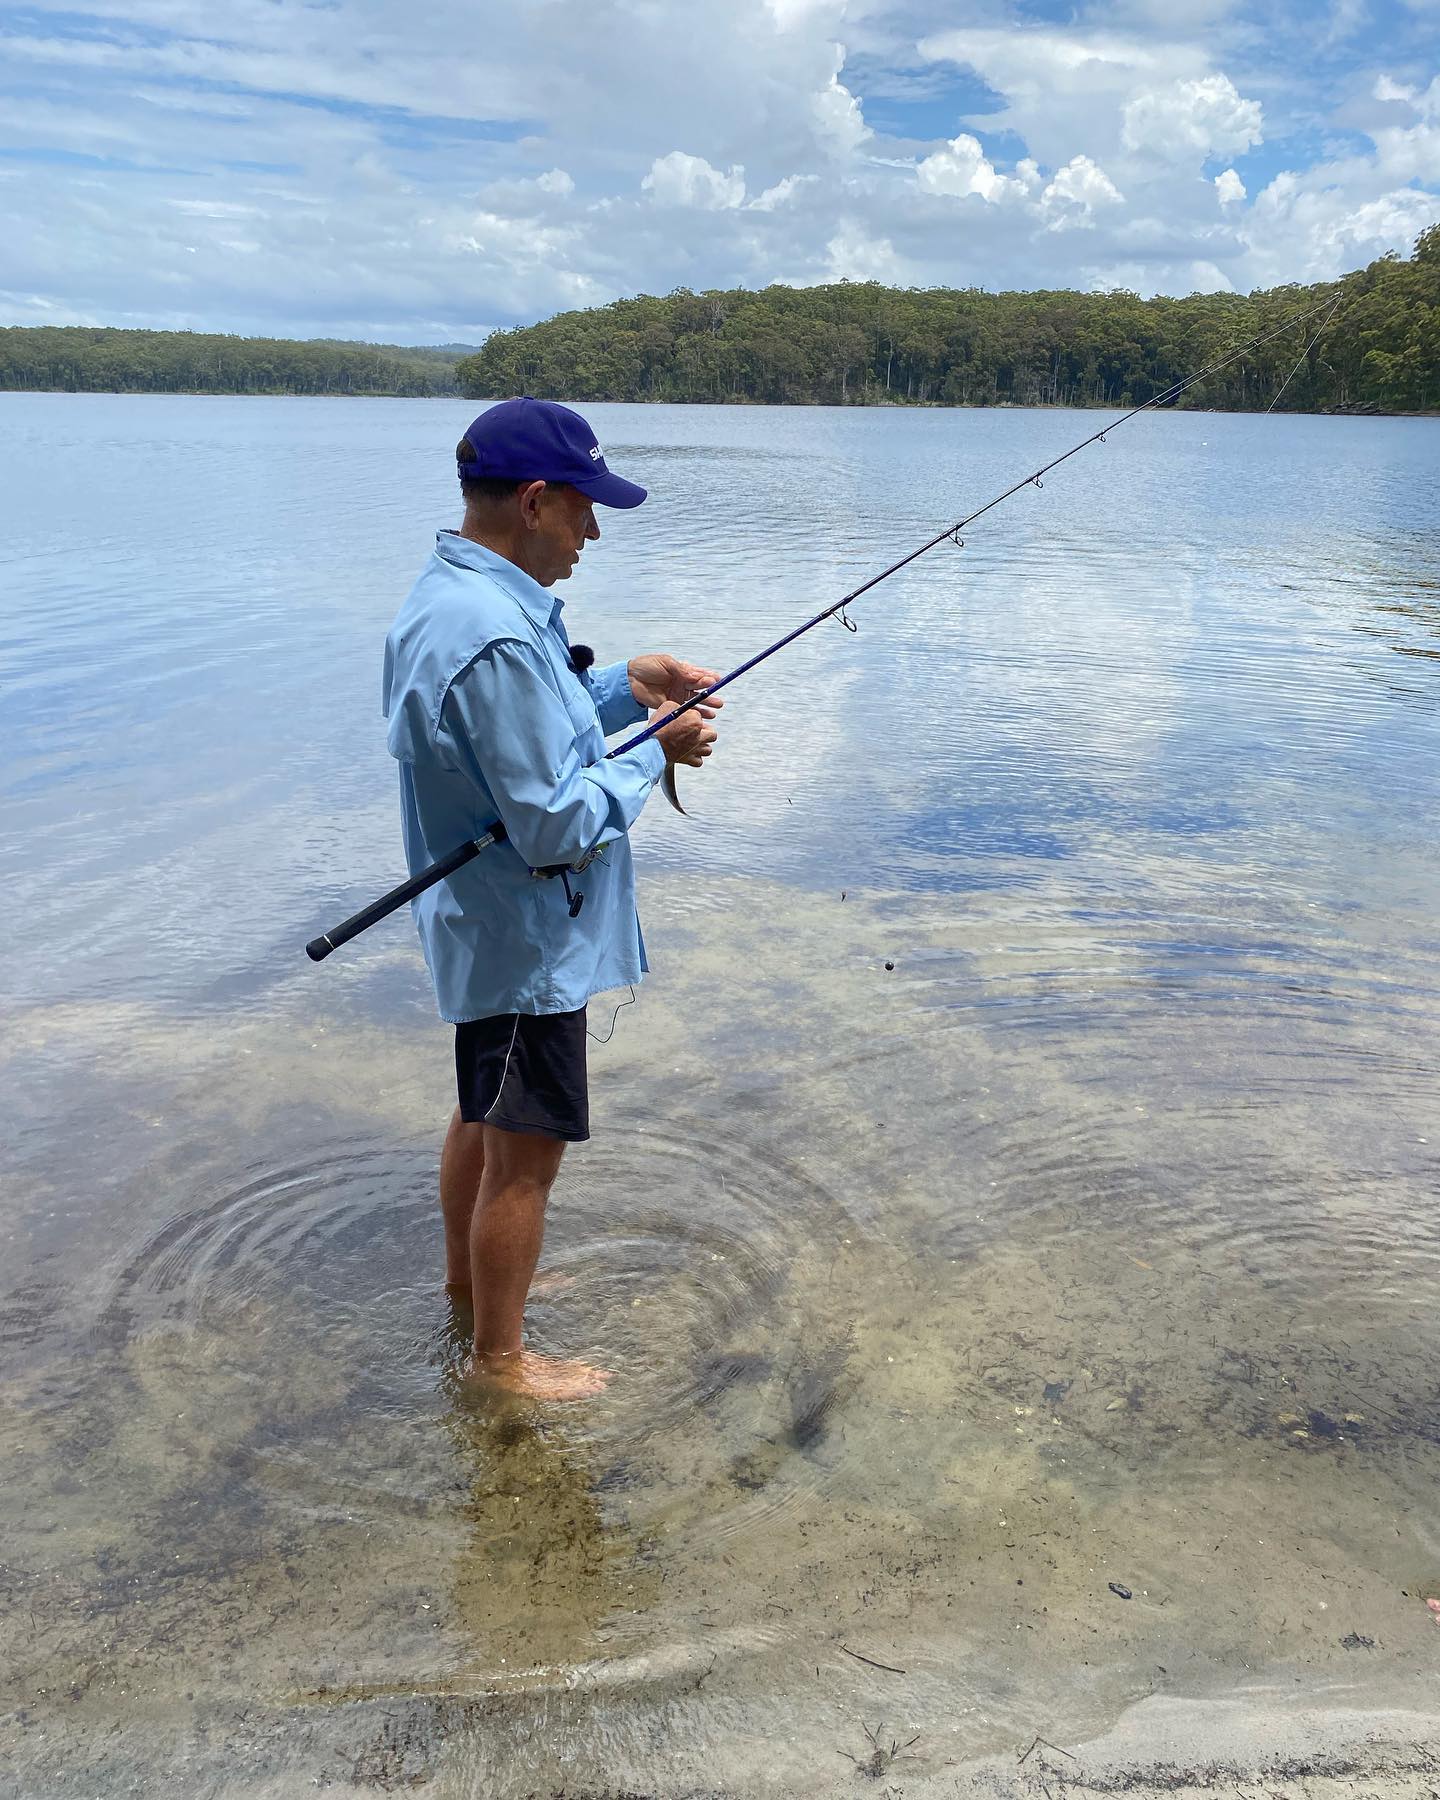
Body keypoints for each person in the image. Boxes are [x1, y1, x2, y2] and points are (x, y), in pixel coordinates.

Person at [382, 398, 720, 1401]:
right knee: (524, 1158)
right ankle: (501, 1362)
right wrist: (656, 752)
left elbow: (531, 728)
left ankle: (473, 1288)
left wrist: (628, 682)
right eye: (583, 509)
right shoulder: (494, 635)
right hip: (525, 939)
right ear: (535, 501)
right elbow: (553, 825)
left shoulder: (454, 599)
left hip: (484, 929)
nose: (593, 532)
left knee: (482, 1119)